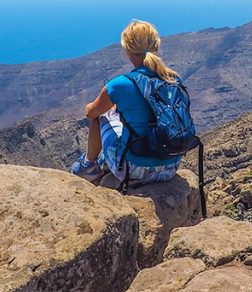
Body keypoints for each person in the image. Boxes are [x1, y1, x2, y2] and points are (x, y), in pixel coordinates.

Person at [71, 20, 182, 186]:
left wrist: (95, 106)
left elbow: (90, 113)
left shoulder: (120, 85)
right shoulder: (172, 79)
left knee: (102, 114)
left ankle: (88, 166)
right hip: (170, 167)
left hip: (134, 170)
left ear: (127, 50)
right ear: (156, 46)